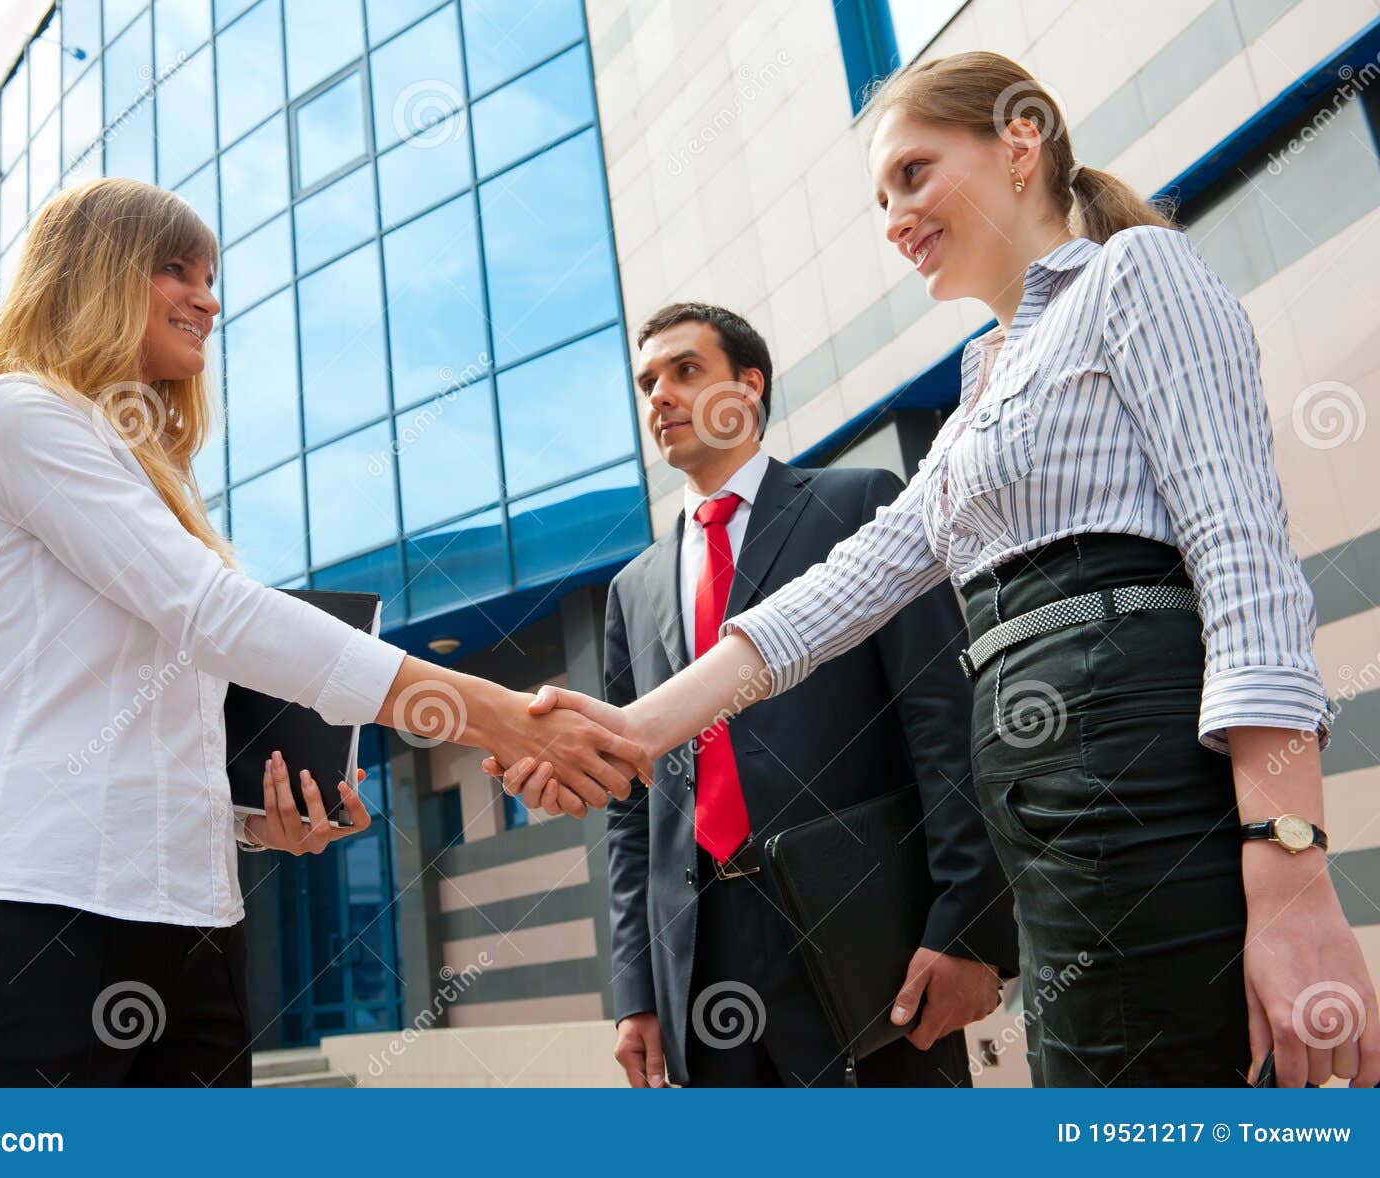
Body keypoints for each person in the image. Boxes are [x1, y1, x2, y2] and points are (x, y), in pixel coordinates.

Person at [492, 52, 1380, 1088]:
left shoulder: (1133, 274)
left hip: (1142, 775)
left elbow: (1245, 565)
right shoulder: (979, 388)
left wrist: (1288, 866)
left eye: (913, 174)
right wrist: (629, 728)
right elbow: (831, 595)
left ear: (1018, 141)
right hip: (1039, 815)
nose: (892, 216)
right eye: (879, 197)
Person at [0, 177, 648, 1087]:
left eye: (210, 277)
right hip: (26, 917)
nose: (208, 299)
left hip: (196, 927)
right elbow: (209, 612)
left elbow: (165, 704)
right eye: (174, 270)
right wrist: (495, 717)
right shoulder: (16, 415)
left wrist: (256, 820)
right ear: (90, 274)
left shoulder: (155, 478)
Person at [490, 303, 1017, 1087]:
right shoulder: (632, 591)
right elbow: (633, 815)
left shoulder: (859, 508)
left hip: (860, 929)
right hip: (701, 957)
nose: (659, 396)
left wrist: (970, 929)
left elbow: (944, 725)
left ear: (749, 385)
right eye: (647, 383)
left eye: (685, 371)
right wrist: (637, 990)